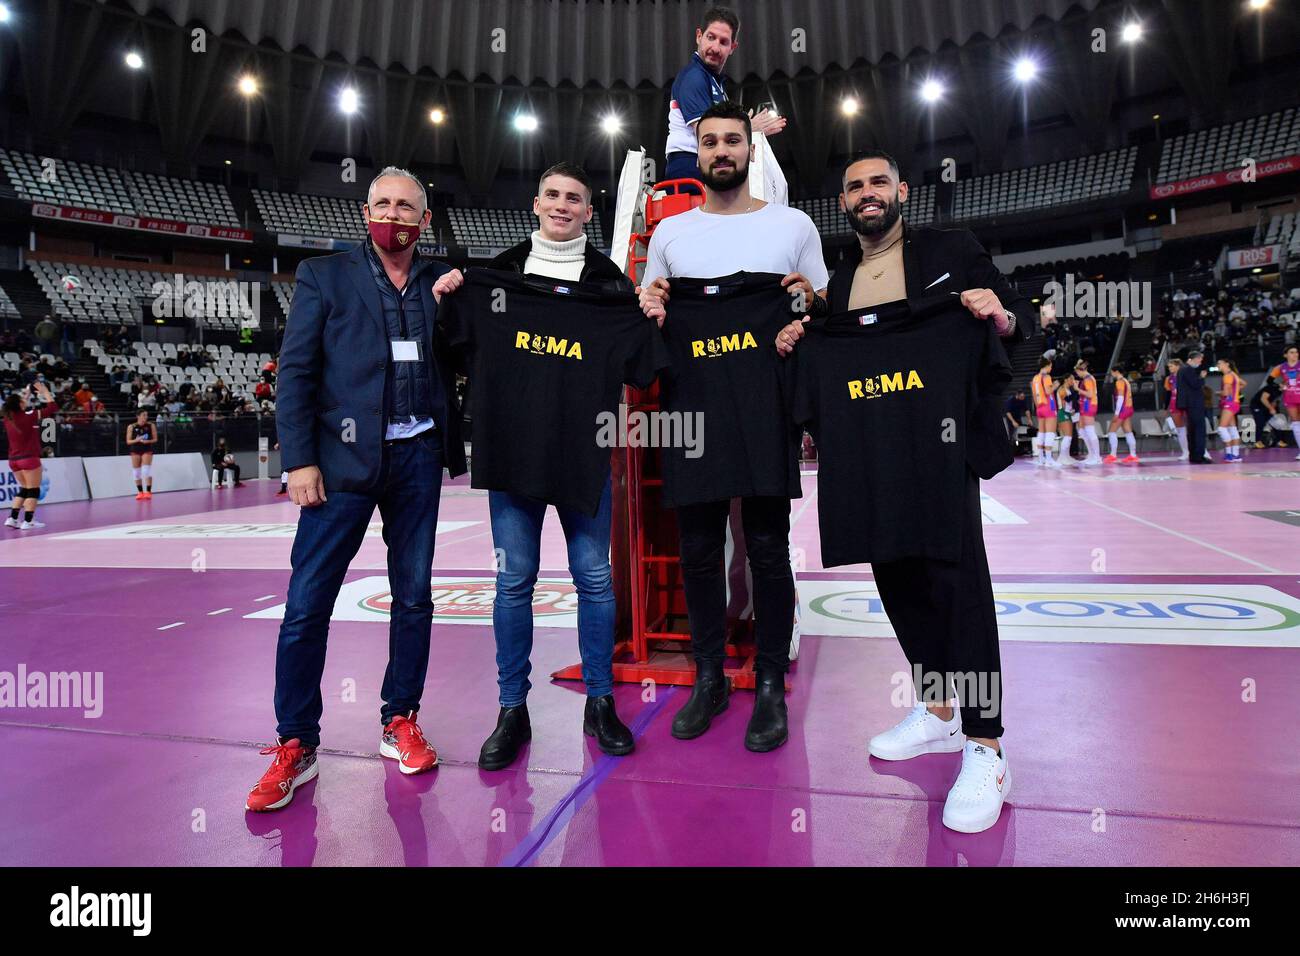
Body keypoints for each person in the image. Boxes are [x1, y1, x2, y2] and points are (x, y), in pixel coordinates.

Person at [775, 148, 1031, 834]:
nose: (867, 193)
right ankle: (938, 711)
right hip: (869, 462)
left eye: (877, 182)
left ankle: (988, 745)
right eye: (854, 186)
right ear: (844, 202)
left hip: (942, 457)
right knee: (898, 582)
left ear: (901, 192)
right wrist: (804, 329)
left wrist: (1000, 316)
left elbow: (1020, 324)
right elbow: (830, 347)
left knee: (959, 591)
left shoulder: (953, 247)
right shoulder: (841, 279)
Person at [245, 165, 467, 812]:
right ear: (364, 210)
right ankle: (296, 743)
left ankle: (400, 718)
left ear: (425, 222)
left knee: (416, 596)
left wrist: (458, 309)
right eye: (383, 203)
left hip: (418, 457)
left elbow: (464, 356)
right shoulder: (324, 275)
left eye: (407, 208)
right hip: (338, 464)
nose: (393, 215)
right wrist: (299, 461)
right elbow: (295, 371)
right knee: (308, 603)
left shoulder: (442, 283)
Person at [433, 162, 640, 770]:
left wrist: (647, 313)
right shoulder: (493, 278)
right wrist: (451, 296)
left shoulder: (611, 288)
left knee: (594, 578)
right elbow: (451, 343)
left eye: (573, 198)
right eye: (552, 195)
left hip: (583, 455)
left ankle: (600, 702)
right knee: (514, 580)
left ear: (586, 210)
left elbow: (640, 361)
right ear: (535, 204)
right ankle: (511, 709)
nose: (561, 205)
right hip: (513, 452)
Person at [639, 102, 827, 753]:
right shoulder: (671, 237)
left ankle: (770, 680)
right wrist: (654, 303)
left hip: (763, 403)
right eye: (710, 140)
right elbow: (650, 315)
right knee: (698, 548)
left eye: (731, 140)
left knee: (769, 547)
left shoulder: (794, 224)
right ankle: (710, 674)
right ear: (698, 150)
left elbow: (820, 309)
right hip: (693, 408)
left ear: (749, 150)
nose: (721, 150)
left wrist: (805, 314)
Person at [664, 7, 784, 189]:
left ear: (732, 48)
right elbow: (709, 134)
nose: (715, 47)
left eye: (723, 42)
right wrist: (749, 128)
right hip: (690, 169)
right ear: (699, 36)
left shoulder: (714, 82)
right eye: (710, 37)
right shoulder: (693, 77)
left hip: (706, 166)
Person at [3, 382, 56, 530]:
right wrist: (45, 391)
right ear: (19, 405)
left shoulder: (8, 418)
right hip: (29, 458)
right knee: (33, 490)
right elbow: (52, 408)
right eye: (22, 400)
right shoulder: (29, 416)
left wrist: (27, 393)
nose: (24, 401)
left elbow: (19, 404)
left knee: (24, 488)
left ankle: (12, 518)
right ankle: (28, 521)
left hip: (13, 460)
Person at [1176, 350, 1211, 464]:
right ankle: (1198, 456)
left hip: (1189, 404)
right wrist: (1201, 377)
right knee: (1198, 430)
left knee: (1192, 430)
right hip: (1194, 404)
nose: (1200, 362)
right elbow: (1196, 384)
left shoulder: (1183, 370)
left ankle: (1194, 456)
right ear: (1192, 359)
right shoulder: (1188, 370)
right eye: (1199, 359)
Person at [1267, 345, 1300, 459]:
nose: (1295, 354)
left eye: (1296, 352)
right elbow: (1269, 380)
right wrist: (1279, 385)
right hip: (1290, 398)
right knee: (1296, 424)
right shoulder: (1280, 367)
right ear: (1285, 355)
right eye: (1291, 352)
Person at [1103, 366, 1139, 464]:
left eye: (1112, 372)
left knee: (1111, 431)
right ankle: (1133, 455)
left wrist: (1116, 413)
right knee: (1128, 431)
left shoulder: (1119, 382)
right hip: (1129, 408)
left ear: (1117, 372)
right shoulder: (1126, 381)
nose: (1111, 374)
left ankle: (1113, 455)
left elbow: (1120, 398)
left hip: (1123, 409)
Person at [1030, 357, 1059, 468]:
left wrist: (1038, 407)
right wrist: (1055, 385)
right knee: (1050, 433)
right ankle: (1049, 459)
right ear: (1046, 366)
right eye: (1050, 366)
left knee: (1041, 432)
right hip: (1048, 406)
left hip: (1039, 407)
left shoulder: (1035, 378)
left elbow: (1034, 395)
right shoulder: (1047, 377)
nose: (1051, 368)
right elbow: (1048, 391)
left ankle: (1041, 458)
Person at [1073, 359, 1103, 465]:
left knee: (1090, 430)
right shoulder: (1086, 379)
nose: (1077, 374)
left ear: (1080, 370)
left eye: (1077, 372)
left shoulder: (1088, 379)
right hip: (1084, 405)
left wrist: (1077, 389)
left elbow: (1090, 394)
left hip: (1088, 405)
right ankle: (1091, 454)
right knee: (1081, 430)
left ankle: (1097, 457)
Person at [1216, 358, 1244, 463]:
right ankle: (1235, 454)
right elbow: (1244, 383)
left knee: (1221, 428)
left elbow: (1226, 393)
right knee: (1233, 429)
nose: (1217, 365)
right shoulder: (1233, 374)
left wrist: (1218, 393)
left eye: (1219, 363)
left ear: (1226, 364)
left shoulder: (1227, 376)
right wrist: (1235, 391)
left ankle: (1229, 453)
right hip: (1235, 403)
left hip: (1229, 403)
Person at [126, 409, 157, 499]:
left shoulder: (151, 425)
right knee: (136, 473)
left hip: (147, 448)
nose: (146, 417)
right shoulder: (131, 426)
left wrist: (148, 441)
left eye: (146, 415)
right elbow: (128, 441)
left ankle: (148, 491)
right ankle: (140, 492)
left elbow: (155, 439)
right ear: (138, 416)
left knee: (146, 470)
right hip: (135, 449)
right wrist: (137, 440)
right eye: (143, 415)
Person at [1164, 358, 1189, 460]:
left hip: (1186, 403)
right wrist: (1167, 407)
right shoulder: (1169, 378)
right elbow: (1168, 392)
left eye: (1171, 366)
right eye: (1169, 366)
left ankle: (1202, 451)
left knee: (1193, 427)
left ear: (1178, 366)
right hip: (1175, 403)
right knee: (1180, 429)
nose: (1169, 368)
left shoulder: (1186, 376)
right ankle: (1185, 452)